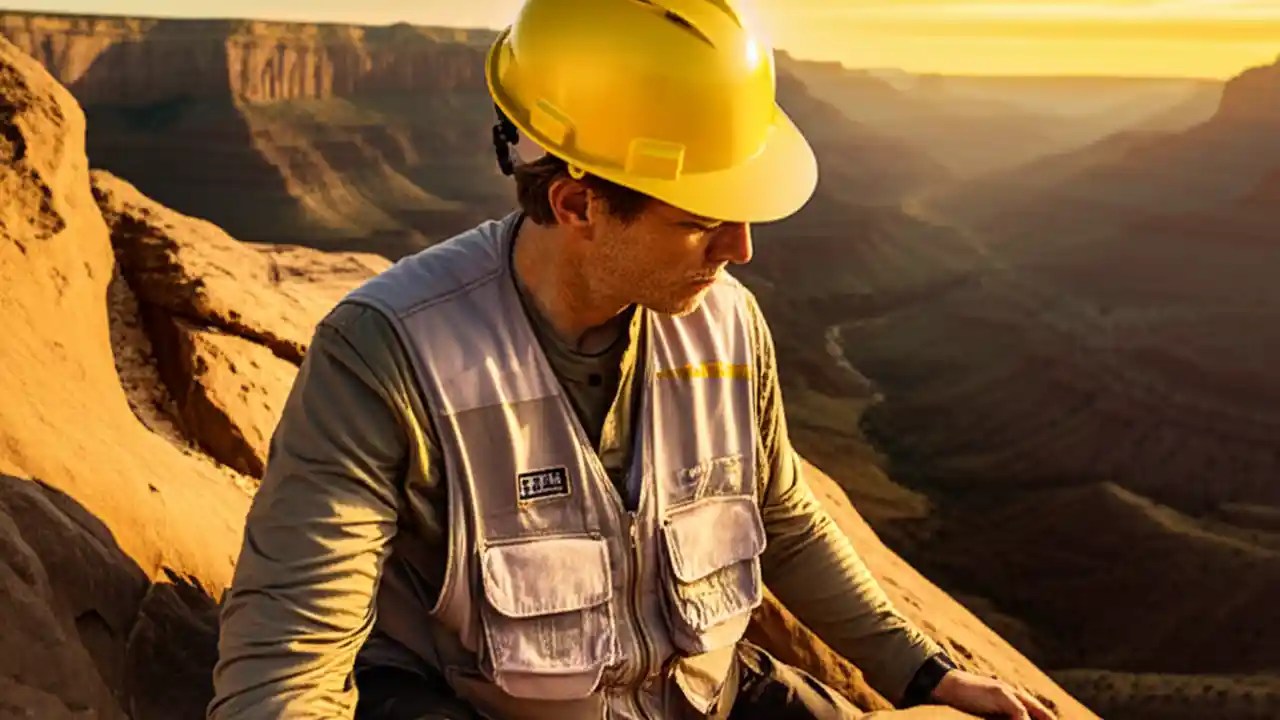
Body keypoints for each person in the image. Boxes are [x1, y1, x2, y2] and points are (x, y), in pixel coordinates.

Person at [208, 1, 1057, 718]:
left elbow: (783, 516)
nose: (744, 247)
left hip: (704, 696)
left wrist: (924, 673)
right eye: (704, 218)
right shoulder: (390, 353)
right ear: (579, 203)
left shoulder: (728, 326)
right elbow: (290, 650)